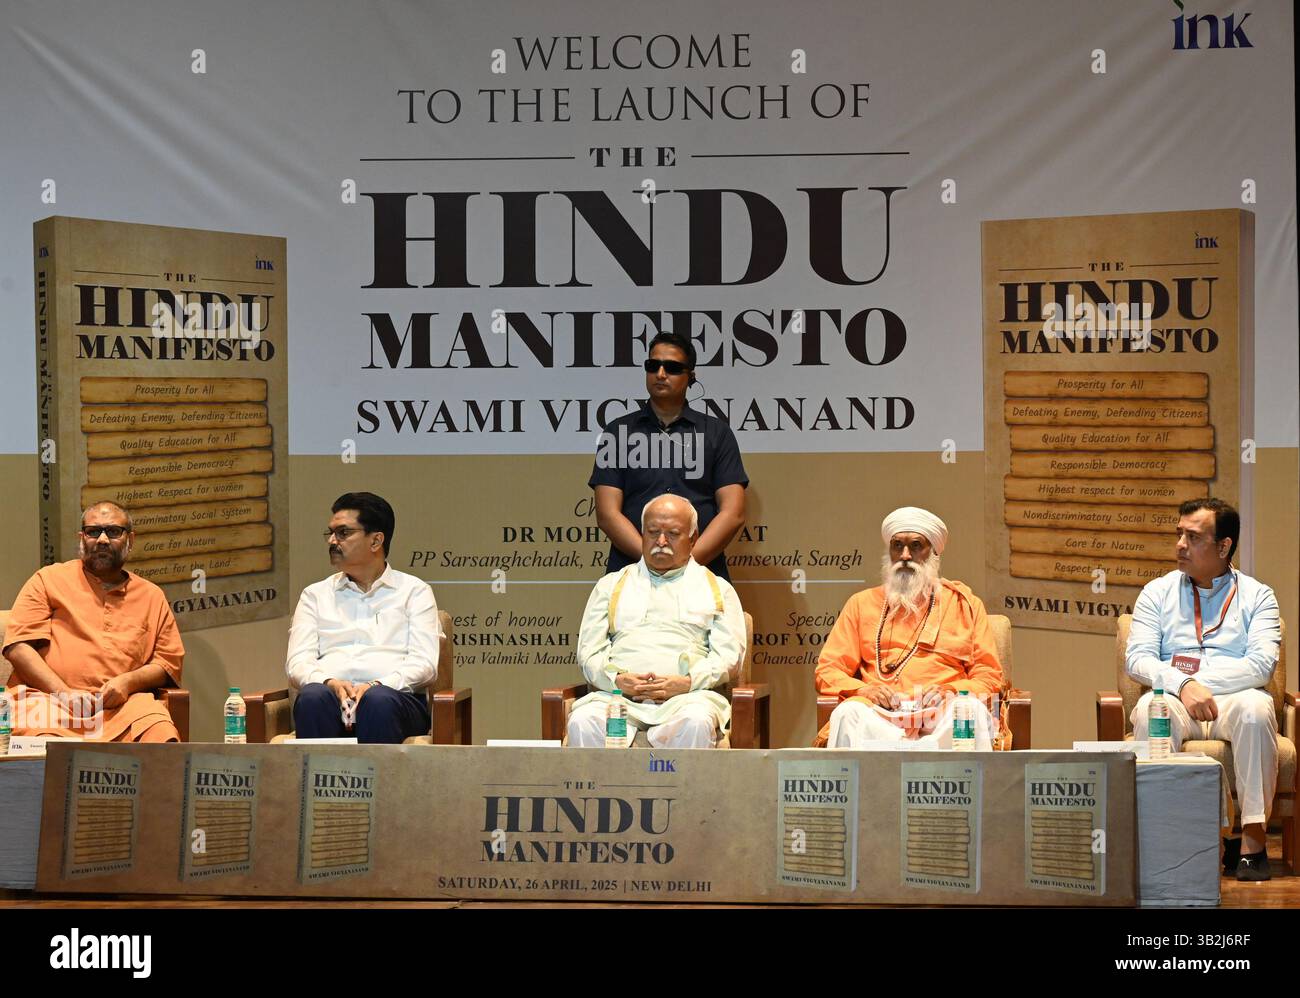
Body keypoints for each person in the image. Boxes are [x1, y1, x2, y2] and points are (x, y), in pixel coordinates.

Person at [1126, 497, 1281, 881]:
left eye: (1192, 537)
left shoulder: (1258, 596)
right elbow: (1138, 658)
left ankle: (1252, 842)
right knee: (1150, 710)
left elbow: (1261, 665)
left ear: (1223, 546)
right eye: (1179, 534)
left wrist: (1203, 684)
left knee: (1256, 709)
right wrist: (1183, 684)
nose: (1180, 544)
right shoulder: (1156, 592)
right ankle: (1164, 840)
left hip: (1235, 697)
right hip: (1176, 698)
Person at [815, 507, 1003, 749]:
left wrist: (950, 690)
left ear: (934, 553)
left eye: (915, 546)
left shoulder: (964, 605)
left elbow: (989, 676)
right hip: (881, 715)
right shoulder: (861, 604)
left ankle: (959, 785)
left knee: (969, 710)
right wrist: (866, 690)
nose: (905, 555)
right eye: (897, 546)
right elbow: (828, 670)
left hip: (942, 714)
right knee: (848, 713)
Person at [568, 493, 745, 748]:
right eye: (652, 532)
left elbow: (728, 657)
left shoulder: (717, 588)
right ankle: (604, 790)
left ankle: (685, 790)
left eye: (672, 534)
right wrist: (617, 680)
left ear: (693, 538)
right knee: (583, 721)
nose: (661, 542)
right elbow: (589, 653)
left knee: (696, 722)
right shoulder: (611, 585)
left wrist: (687, 683)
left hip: (685, 699)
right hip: (618, 699)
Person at [2, 501, 184, 742]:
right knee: (45, 747)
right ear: (82, 538)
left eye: (113, 531)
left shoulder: (151, 596)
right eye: (93, 531)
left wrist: (128, 682)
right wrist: (64, 694)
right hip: (50, 702)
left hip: (124, 707)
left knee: (161, 734)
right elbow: (18, 647)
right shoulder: (47, 580)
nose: (102, 540)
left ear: (130, 539)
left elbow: (167, 661)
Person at [589, 331, 748, 580]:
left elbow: (733, 513)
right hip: (633, 575)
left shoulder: (717, 433)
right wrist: (651, 562)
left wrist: (686, 564)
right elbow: (607, 514)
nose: (660, 374)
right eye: (653, 366)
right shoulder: (617, 432)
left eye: (672, 367)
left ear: (691, 376)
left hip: (700, 574)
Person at [286, 492, 440, 743]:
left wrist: (376, 685)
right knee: (313, 696)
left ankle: (382, 783)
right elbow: (298, 663)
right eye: (331, 533)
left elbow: (425, 664)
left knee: (377, 701)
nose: (332, 541)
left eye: (343, 533)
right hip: (329, 701)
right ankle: (319, 781)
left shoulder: (414, 591)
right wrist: (330, 682)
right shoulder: (314, 594)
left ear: (376, 540)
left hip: (393, 702)